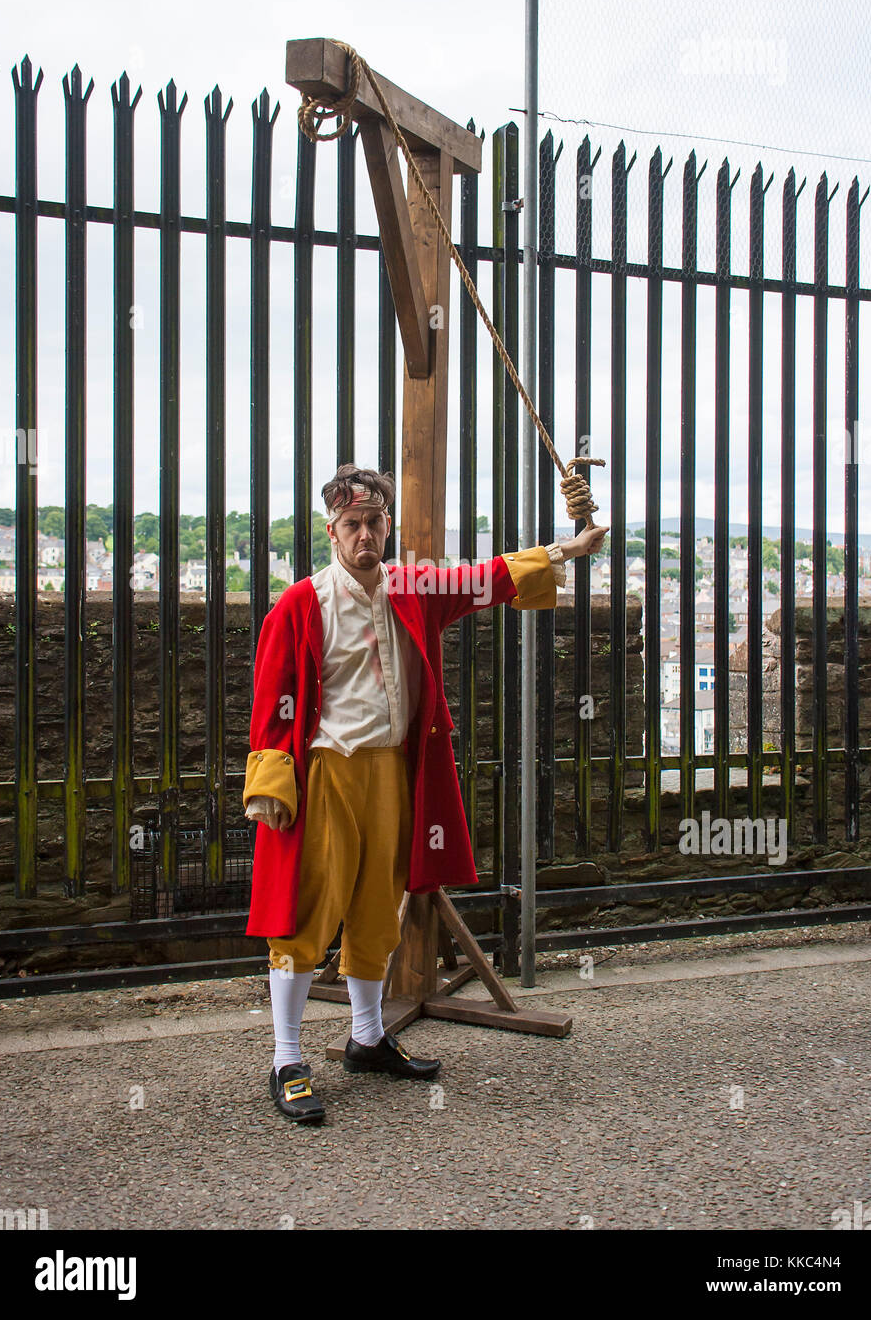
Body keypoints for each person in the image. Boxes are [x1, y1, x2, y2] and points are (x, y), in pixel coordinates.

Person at [243, 464, 608, 1125]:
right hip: (325, 774)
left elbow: (484, 580)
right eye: (351, 524)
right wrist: (270, 784)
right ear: (331, 531)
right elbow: (272, 699)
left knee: (379, 910)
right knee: (306, 915)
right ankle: (287, 1058)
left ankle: (367, 1038)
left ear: (388, 526)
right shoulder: (301, 603)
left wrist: (566, 549)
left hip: (390, 771)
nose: (364, 535)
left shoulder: (411, 588)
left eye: (374, 523)